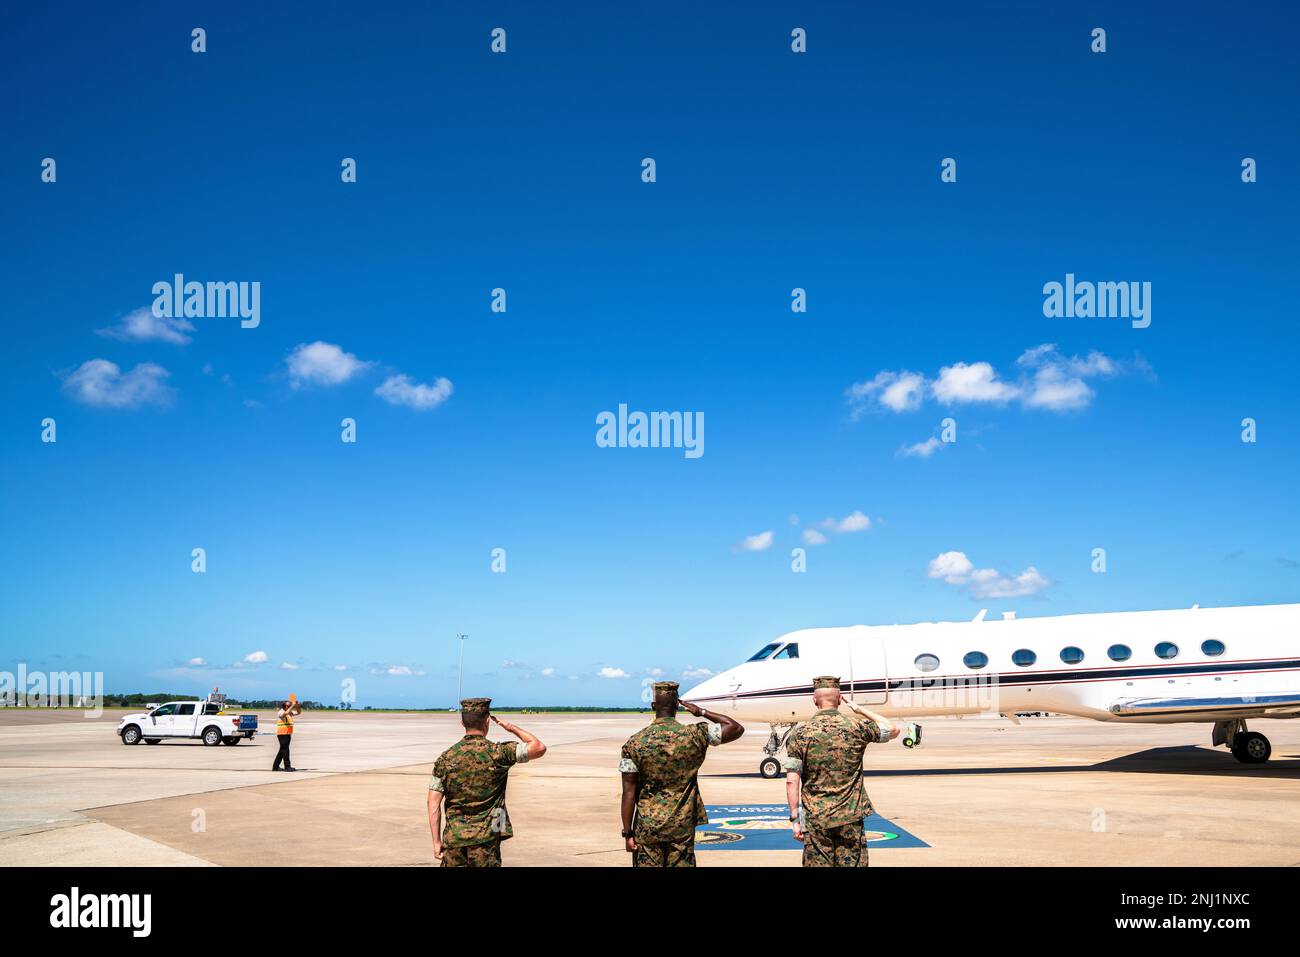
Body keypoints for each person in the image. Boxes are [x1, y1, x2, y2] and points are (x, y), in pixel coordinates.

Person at [619, 681, 744, 867]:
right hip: (681, 827)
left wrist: (628, 833)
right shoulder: (694, 735)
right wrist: (701, 711)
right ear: (677, 705)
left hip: (647, 826)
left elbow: (628, 793)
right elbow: (735, 728)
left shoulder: (634, 743)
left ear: (653, 706)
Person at [783, 675, 901, 867]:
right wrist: (858, 709)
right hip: (850, 816)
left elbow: (791, 780)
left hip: (816, 818)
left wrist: (795, 819)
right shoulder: (856, 727)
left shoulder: (800, 734)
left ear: (815, 701)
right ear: (839, 700)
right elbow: (892, 729)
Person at [427, 697, 546, 867]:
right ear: (487, 720)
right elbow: (538, 747)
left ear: (462, 722)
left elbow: (433, 804)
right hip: (487, 841)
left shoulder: (445, 759)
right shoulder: (499, 753)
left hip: (454, 839)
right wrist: (510, 727)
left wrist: (436, 841)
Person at [272, 697, 301, 771]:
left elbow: (299, 712)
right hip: (282, 734)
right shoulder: (281, 712)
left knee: (282, 750)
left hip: (287, 733)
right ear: (285, 706)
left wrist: (297, 706)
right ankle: (287, 766)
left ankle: (275, 766)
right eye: (288, 704)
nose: (290, 704)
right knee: (285, 750)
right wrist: (292, 705)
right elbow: (285, 713)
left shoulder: (289, 712)